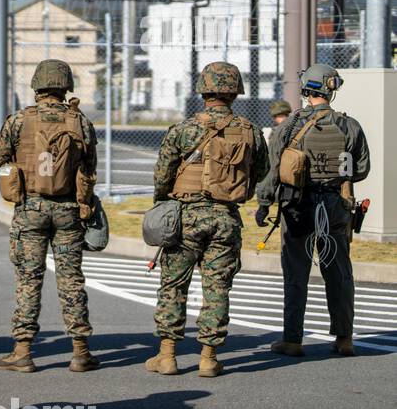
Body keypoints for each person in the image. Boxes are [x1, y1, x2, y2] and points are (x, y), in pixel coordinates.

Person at [147, 62, 269, 377]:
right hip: (226, 218)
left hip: (185, 217)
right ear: (235, 93)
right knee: (217, 287)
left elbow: (162, 175)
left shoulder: (183, 129)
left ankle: (168, 356)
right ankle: (209, 357)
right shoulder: (250, 131)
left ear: (204, 91)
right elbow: (261, 171)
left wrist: (163, 201)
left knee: (173, 285)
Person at [0, 59, 99, 373]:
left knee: (28, 279)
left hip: (30, 209)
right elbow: (89, 165)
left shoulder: (20, 120)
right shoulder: (79, 121)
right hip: (68, 210)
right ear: (66, 87)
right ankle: (80, 351)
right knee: (71, 280)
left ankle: (22, 351)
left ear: (37, 86)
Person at [256, 64, 370, 358]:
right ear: (331, 88)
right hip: (336, 206)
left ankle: (292, 340)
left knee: (296, 272)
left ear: (306, 89)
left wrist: (264, 203)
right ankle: (344, 338)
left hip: (298, 207)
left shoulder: (288, 127)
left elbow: (272, 173)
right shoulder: (350, 126)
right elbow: (360, 170)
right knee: (340, 271)